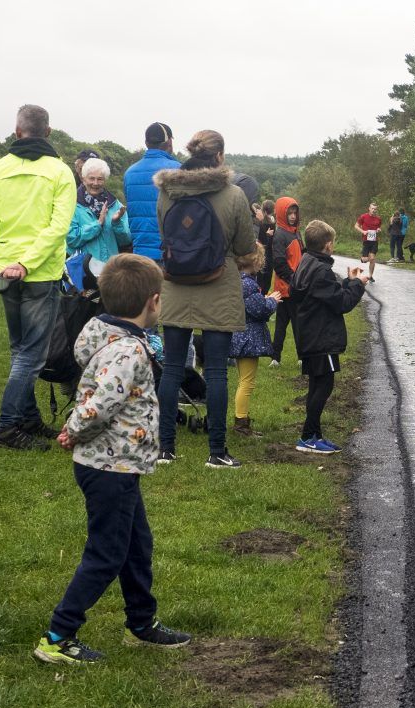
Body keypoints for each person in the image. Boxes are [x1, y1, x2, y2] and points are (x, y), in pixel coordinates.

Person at [34, 254, 190, 664]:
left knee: (137, 545)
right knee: (106, 553)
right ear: (153, 302)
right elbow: (99, 405)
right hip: (110, 467)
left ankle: (141, 622)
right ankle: (57, 635)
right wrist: (72, 430)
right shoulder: (128, 353)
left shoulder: (104, 333)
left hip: (117, 464)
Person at [0, 104, 76, 450]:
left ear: (17, 132)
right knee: (32, 355)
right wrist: (29, 263)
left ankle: (28, 418)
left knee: (21, 350)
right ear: (48, 133)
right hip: (40, 273)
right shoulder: (60, 172)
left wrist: (0, 250)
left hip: (7, 271)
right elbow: (58, 228)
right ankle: (7, 426)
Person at [154, 129, 256, 469]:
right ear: (220, 156)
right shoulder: (234, 194)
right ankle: (216, 452)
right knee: (215, 372)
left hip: (175, 285)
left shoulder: (167, 192)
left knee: (171, 369)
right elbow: (244, 247)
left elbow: (163, 234)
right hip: (218, 285)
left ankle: (165, 449)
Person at [291, 220, 368, 454]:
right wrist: (358, 285)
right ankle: (307, 436)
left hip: (309, 335)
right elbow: (342, 303)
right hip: (322, 337)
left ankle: (314, 434)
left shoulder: (307, 262)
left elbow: (327, 295)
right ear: (328, 245)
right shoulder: (321, 270)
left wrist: (347, 282)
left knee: (317, 383)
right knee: (324, 385)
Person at [229, 249, 282, 436]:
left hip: (238, 335)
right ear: (254, 261)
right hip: (248, 338)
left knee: (243, 379)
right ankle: (241, 423)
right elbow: (259, 310)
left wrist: (263, 299)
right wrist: (272, 301)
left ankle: (241, 420)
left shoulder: (236, 280)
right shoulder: (248, 285)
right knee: (247, 382)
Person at [122, 122, 180, 263]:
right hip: (171, 252)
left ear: (146, 143)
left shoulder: (130, 173)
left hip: (140, 252)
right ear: (169, 142)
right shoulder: (178, 170)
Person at [68, 157, 131, 282]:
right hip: (83, 272)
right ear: (83, 179)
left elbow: (126, 240)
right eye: (91, 178)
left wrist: (116, 223)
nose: (95, 183)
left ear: (105, 180)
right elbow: (71, 239)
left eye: (100, 179)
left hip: (110, 271)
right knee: (86, 302)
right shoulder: (72, 204)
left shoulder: (115, 204)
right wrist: (97, 224)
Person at [269, 196, 303, 367]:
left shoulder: (296, 232)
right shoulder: (280, 235)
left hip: (295, 286)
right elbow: (279, 263)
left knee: (295, 323)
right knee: (285, 324)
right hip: (286, 288)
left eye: (295, 213)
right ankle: (278, 358)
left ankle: (287, 357)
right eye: (289, 213)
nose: (292, 216)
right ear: (282, 214)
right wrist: (294, 280)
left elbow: (302, 255)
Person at [354, 202, 382, 282]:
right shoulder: (363, 216)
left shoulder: (379, 218)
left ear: (377, 210)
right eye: (372, 208)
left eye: (375, 209)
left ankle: (370, 276)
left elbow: (378, 228)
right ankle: (363, 258)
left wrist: (378, 230)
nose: (373, 210)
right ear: (369, 208)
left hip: (374, 241)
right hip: (366, 241)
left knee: (372, 258)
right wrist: (363, 231)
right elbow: (356, 226)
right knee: (365, 260)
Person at [256, 199, 277, 293]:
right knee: (267, 279)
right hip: (270, 254)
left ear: (264, 210)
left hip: (262, 253)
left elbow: (261, 241)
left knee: (260, 279)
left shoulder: (261, 223)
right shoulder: (274, 221)